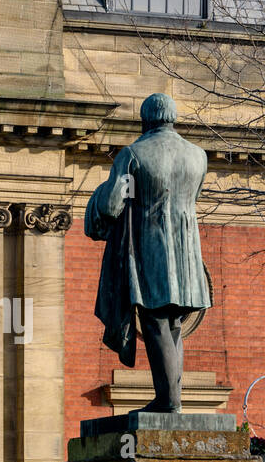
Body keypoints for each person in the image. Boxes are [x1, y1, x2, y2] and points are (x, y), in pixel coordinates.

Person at [85, 92, 211, 412]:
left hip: (150, 249)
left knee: (155, 321)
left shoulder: (133, 154)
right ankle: (172, 399)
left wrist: (99, 194)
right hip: (187, 255)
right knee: (174, 325)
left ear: (145, 121)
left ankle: (168, 402)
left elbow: (112, 205)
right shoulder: (198, 156)